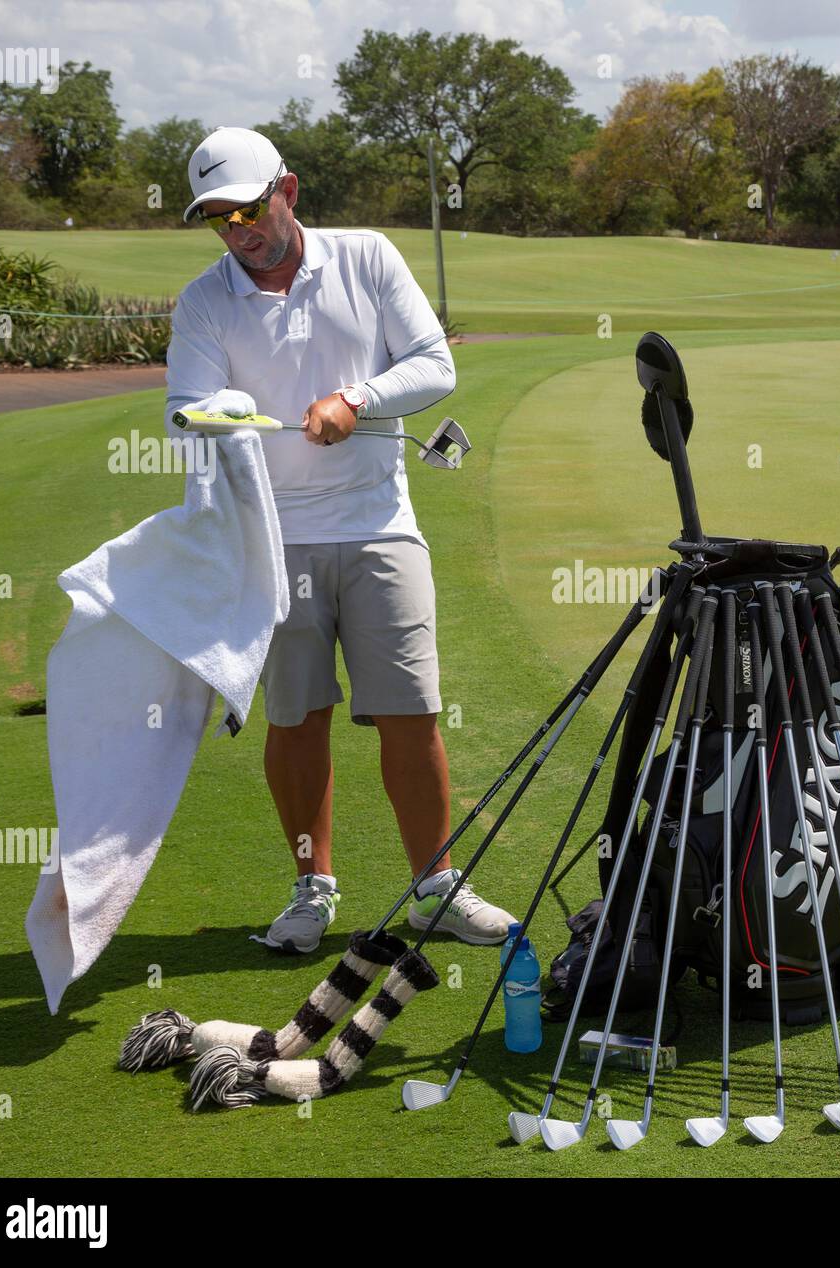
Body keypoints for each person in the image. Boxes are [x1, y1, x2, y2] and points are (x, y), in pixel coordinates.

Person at [165, 126, 515, 953]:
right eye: (219, 218)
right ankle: (312, 889)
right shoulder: (205, 301)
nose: (239, 230)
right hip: (273, 541)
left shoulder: (365, 257)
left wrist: (356, 398)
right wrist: (226, 415)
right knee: (297, 720)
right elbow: (185, 411)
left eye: (250, 209)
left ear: (289, 190)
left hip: (378, 525)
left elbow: (433, 364)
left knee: (411, 712)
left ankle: (434, 887)